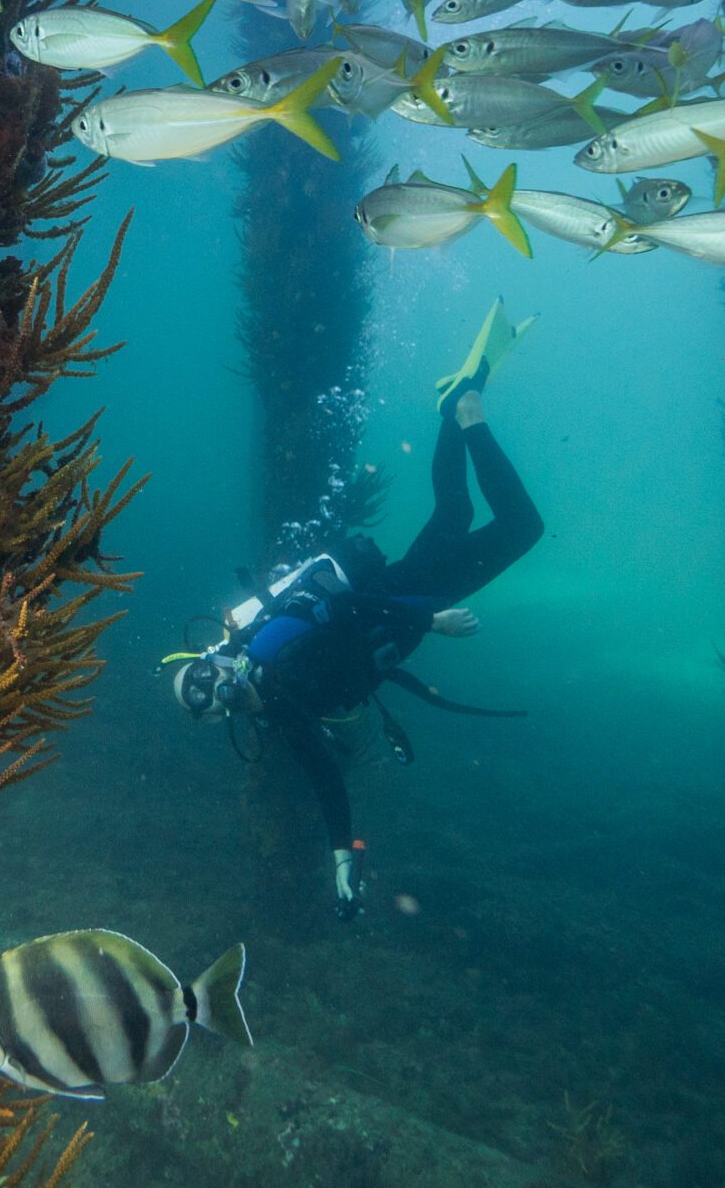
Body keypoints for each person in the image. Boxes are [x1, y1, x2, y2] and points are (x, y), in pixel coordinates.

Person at [173, 358, 543, 919]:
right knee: (455, 510)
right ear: (213, 718)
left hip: (409, 596)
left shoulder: (272, 656)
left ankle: (468, 414)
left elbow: (346, 609)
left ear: (215, 661)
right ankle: (452, 407)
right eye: (210, 697)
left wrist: (428, 620)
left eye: (209, 677)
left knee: (522, 527)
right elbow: (323, 775)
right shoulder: (277, 708)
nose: (220, 688)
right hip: (405, 600)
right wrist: (342, 855)